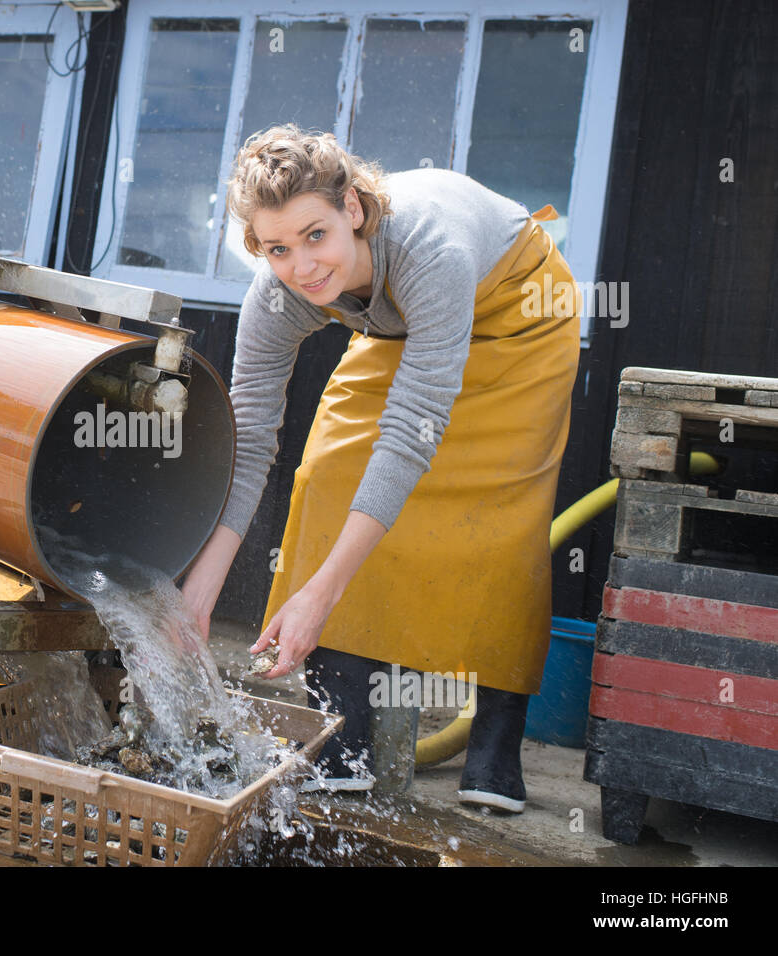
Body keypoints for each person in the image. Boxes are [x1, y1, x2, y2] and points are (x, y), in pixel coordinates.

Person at [181, 123, 580, 812]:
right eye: (277, 248)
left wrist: (320, 593)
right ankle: (344, 735)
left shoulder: (430, 250)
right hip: (399, 322)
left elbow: (409, 435)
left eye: (316, 235)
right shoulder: (281, 293)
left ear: (354, 211)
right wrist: (198, 596)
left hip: (516, 312)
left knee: (502, 514)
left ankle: (496, 735)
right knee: (330, 471)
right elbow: (248, 441)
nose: (303, 266)